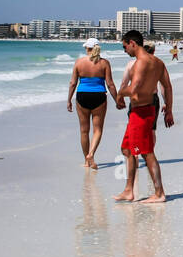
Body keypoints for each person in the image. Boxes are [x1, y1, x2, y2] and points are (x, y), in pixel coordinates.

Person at [114, 30, 173, 203]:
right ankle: (128, 190)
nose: (125, 51)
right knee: (126, 149)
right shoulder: (158, 62)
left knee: (146, 152)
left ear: (132, 43)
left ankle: (159, 192)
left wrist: (119, 94)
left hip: (142, 113)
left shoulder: (141, 63)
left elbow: (134, 90)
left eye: (125, 47)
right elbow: (167, 87)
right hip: (140, 112)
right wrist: (169, 109)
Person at [67, 38, 118, 169]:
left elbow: (73, 83)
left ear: (87, 48)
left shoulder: (79, 62)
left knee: (84, 131)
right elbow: (110, 84)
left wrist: (69, 100)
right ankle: (91, 154)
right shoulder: (104, 63)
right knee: (98, 129)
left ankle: (86, 160)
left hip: (82, 96)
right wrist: (117, 99)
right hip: (99, 96)